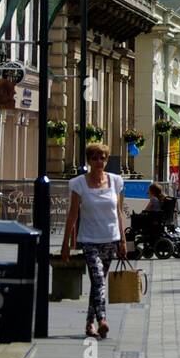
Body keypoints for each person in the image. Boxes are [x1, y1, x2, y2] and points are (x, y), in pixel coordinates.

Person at [62, 143, 127, 339]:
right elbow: (72, 214)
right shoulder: (79, 184)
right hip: (89, 239)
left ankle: (89, 324)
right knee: (99, 279)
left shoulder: (116, 181)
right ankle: (103, 319)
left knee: (97, 283)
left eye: (103, 158)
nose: (99, 162)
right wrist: (65, 243)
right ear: (89, 161)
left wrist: (123, 241)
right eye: (95, 158)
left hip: (110, 238)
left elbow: (119, 213)